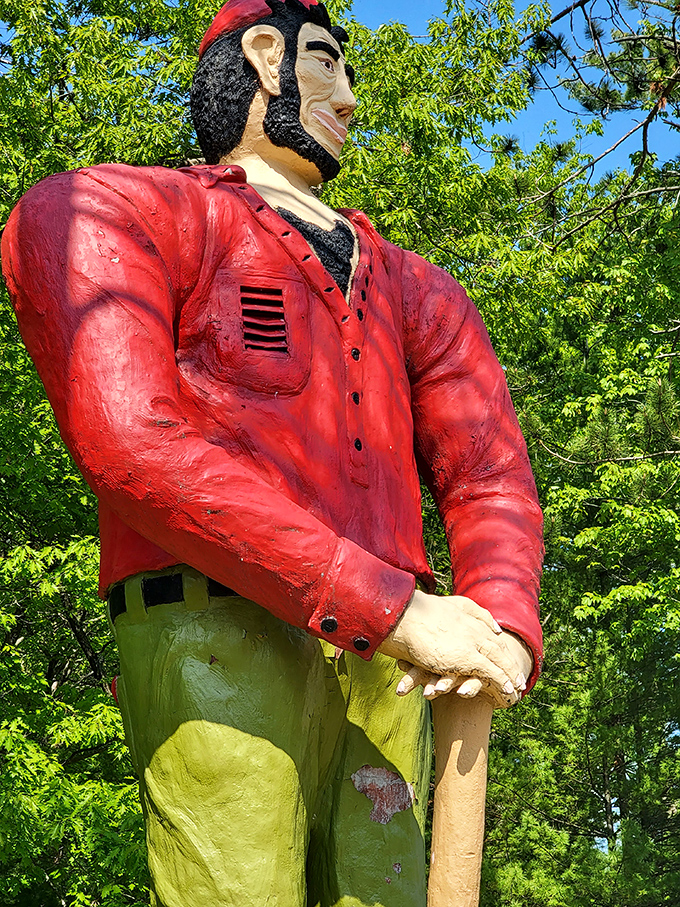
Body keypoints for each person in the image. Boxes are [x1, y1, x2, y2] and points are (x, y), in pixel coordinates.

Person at [2, 1, 543, 904]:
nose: (353, 99)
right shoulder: (111, 207)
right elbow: (130, 440)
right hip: (215, 626)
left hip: (392, 667)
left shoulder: (418, 288)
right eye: (329, 62)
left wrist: (497, 626)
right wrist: (391, 605)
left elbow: (489, 472)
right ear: (263, 57)